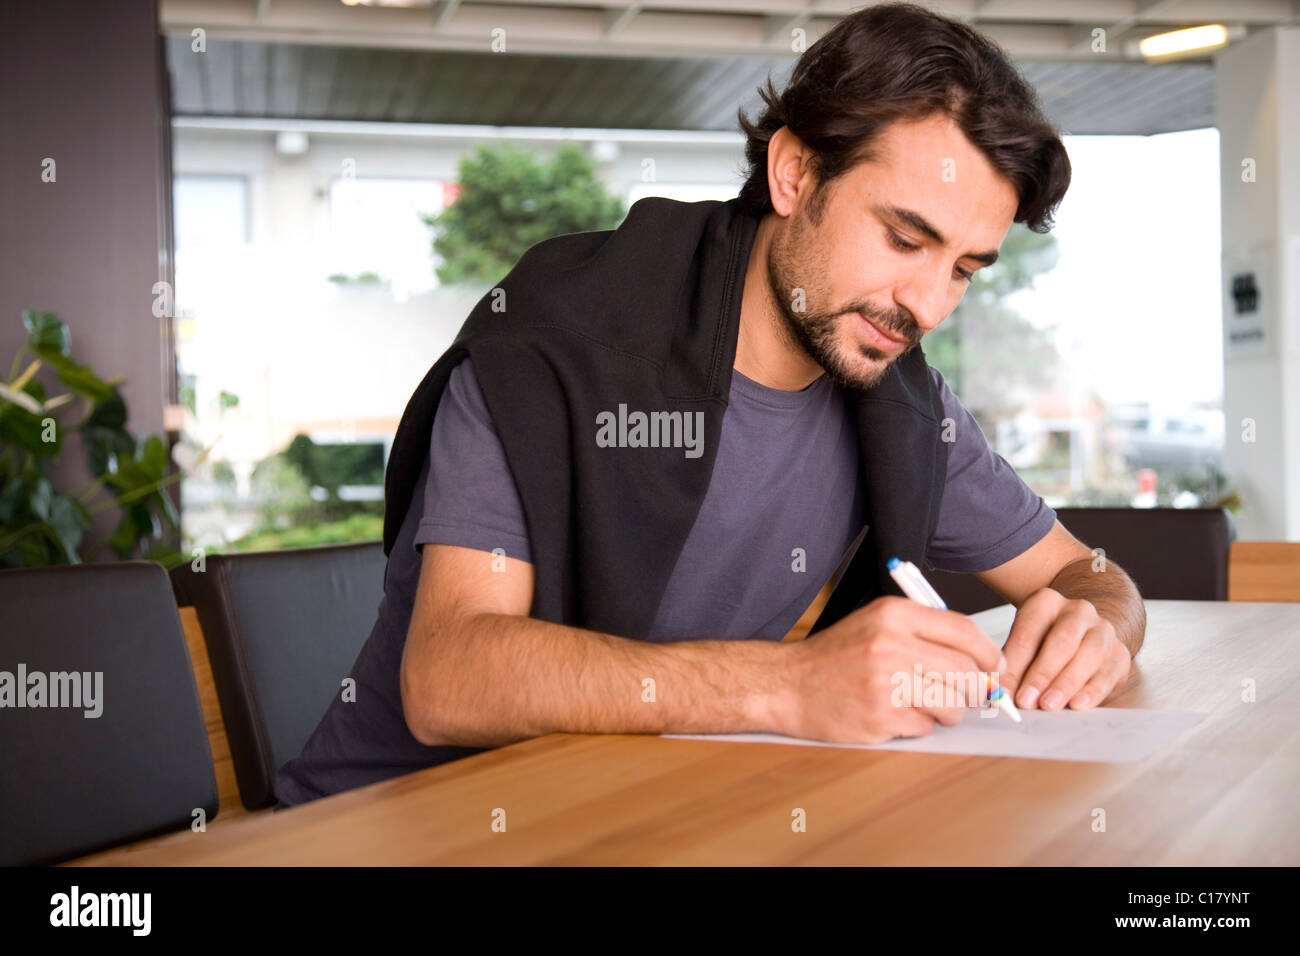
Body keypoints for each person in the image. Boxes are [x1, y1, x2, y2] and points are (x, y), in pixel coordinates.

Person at [274, 1, 1144, 809]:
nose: (925, 305)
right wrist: (792, 685)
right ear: (795, 173)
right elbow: (450, 677)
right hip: (383, 827)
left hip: (627, 818)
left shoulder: (897, 400)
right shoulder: (560, 339)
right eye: (904, 238)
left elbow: (1088, 570)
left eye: (961, 268)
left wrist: (1095, 624)